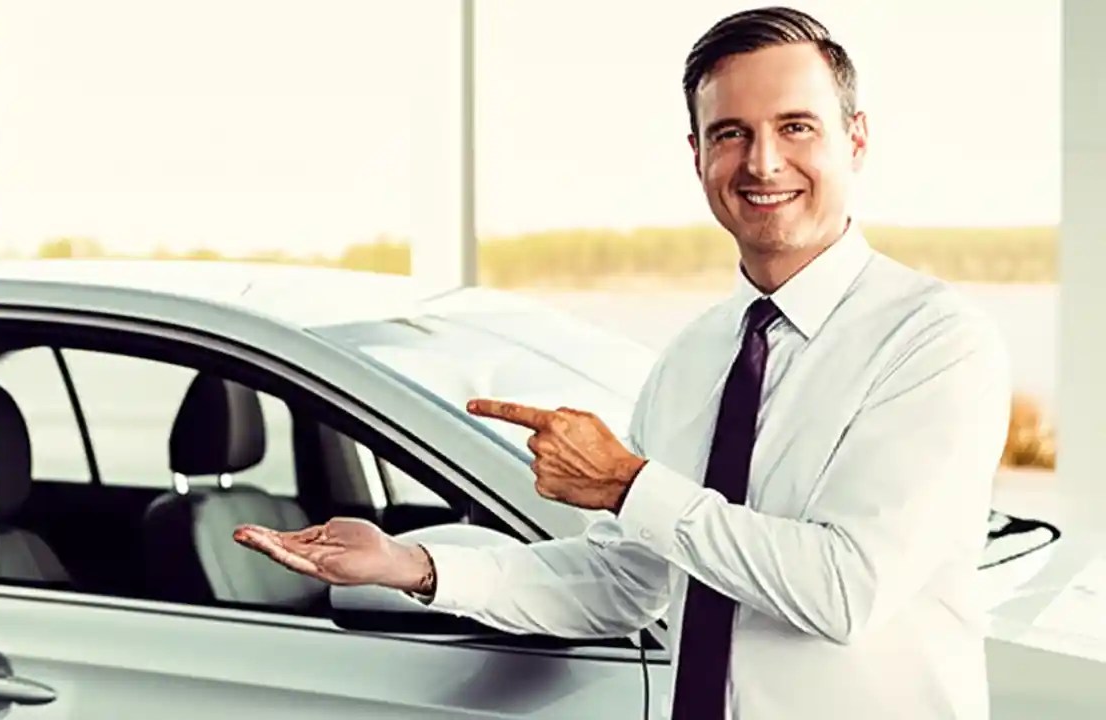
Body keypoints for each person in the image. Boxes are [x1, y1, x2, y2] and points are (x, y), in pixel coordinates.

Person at [232, 6, 1010, 719]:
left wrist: (628, 484)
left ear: (857, 139)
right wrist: (414, 564)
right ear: (697, 153)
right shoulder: (698, 355)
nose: (763, 162)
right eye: (731, 132)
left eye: (797, 127)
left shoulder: (935, 342)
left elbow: (844, 591)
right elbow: (627, 581)